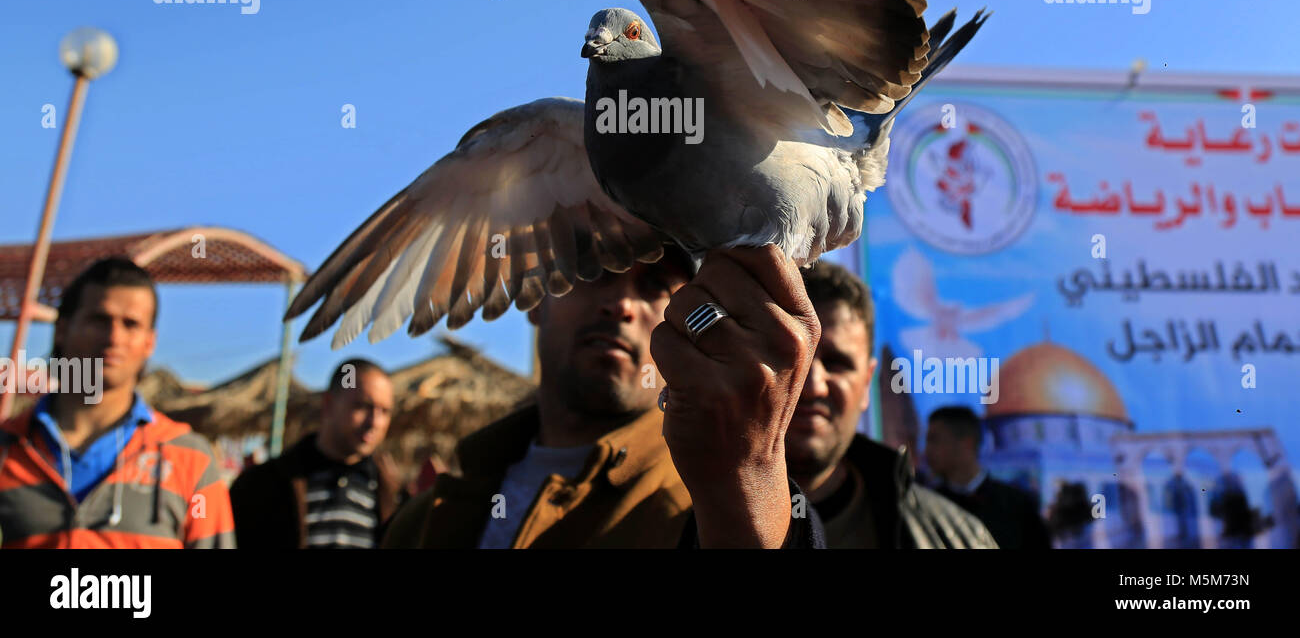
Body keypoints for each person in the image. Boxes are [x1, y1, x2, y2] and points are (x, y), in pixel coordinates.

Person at [384, 243, 823, 548]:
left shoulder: (712, 505)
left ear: (688, 316)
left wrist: (749, 479)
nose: (622, 304)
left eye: (654, 283)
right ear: (537, 298)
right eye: (594, 272)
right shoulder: (428, 518)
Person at [0, 257, 234, 548]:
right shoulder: (6, 449)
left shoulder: (189, 459)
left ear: (150, 342)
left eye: (131, 324)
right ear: (62, 330)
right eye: (99, 320)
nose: (114, 338)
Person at [785, 260, 997, 548]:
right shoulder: (705, 520)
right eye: (792, 359)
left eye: (837, 363)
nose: (813, 386)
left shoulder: (958, 538)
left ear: (866, 384)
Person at [230, 358, 399, 548]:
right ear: (328, 404)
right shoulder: (263, 485)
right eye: (362, 406)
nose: (374, 422)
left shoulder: (392, 496)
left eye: (385, 411)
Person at [925, 405, 1051, 549]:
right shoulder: (925, 507)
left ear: (966, 444)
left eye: (934, 440)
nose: (927, 451)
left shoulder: (1017, 506)